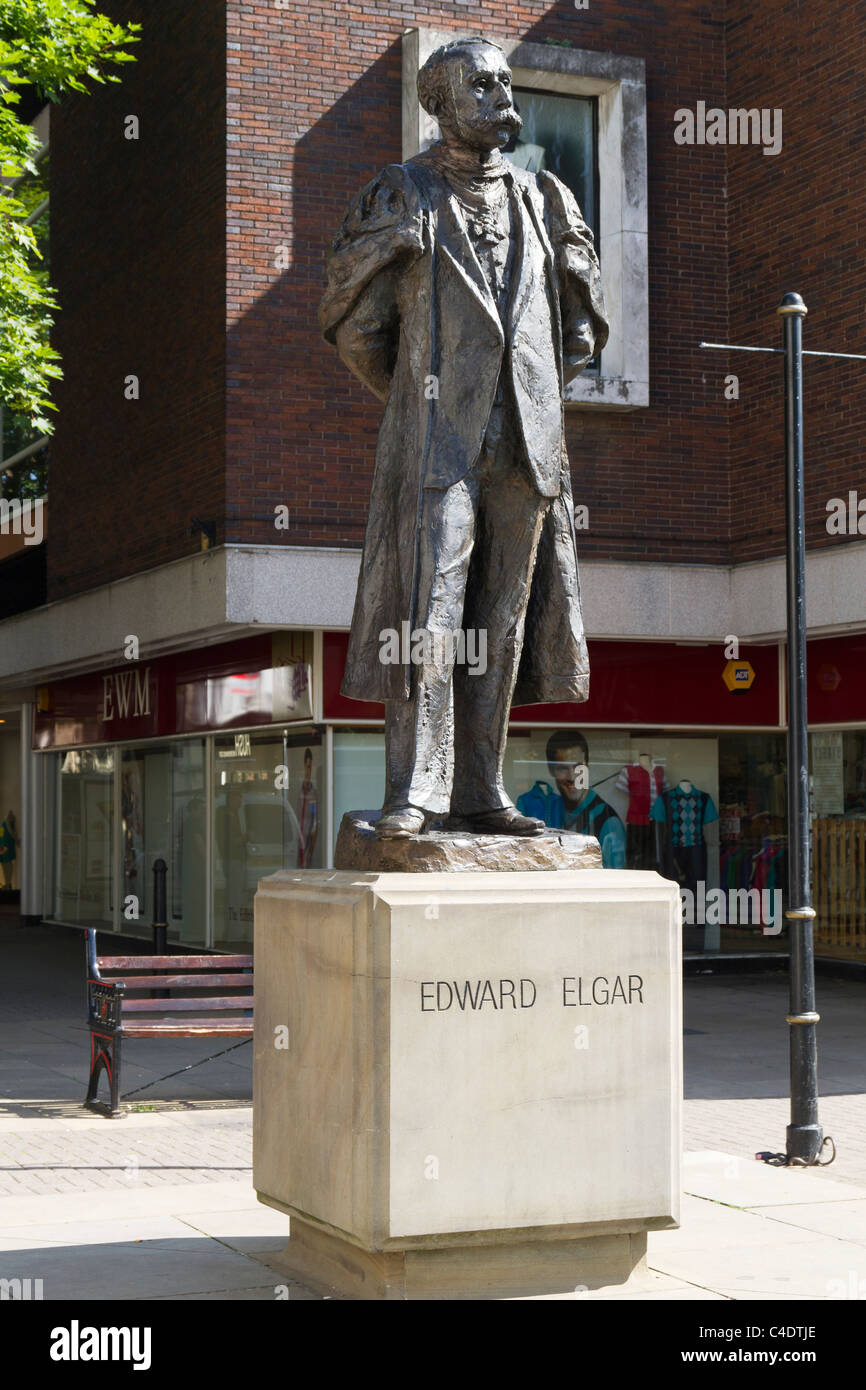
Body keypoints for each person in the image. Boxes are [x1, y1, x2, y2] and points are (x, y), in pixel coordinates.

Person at [319, 36, 607, 839]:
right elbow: (358, 332)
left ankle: (481, 789)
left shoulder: (545, 199)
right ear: (440, 104)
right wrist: (422, 400)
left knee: (503, 619)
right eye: (481, 86)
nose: (500, 96)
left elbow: (577, 338)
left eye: (506, 84)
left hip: (525, 446)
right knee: (431, 614)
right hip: (439, 445)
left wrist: (524, 399)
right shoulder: (401, 195)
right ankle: (417, 791)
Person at [518, 731, 626, 869]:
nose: (571, 777)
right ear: (551, 770)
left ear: (587, 766)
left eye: (577, 767)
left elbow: (616, 879)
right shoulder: (554, 808)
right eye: (562, 768)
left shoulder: (608, 821)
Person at [297, 748, 319, 867]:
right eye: (306, 767)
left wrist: (314, 832)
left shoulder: (313, 792)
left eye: (309, 767)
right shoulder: (296, 789)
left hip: (307, 834)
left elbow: (315, 817)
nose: (307, 771)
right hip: (296, 835)